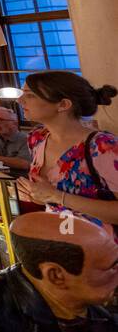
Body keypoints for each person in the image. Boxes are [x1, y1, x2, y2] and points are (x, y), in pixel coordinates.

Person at [17, 71, 118, 231]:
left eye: (30, 95)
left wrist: (58, 196)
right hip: (60, 242)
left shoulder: (102, 145)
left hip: (101, 248)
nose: (20, 100)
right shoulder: (37, 138)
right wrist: (36, 195)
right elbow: (49, 199)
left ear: (63, 104)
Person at [0, 106, 31, 173]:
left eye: (1, 120)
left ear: (14, 123)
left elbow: (25, 164)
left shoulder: (26, 140)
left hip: (20, 180)